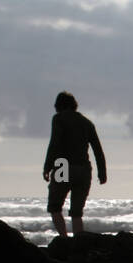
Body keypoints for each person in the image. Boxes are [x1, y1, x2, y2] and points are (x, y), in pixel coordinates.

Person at [43, 91, 107, 237]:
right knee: (77, 212)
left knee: (55, 206)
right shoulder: (87, 123)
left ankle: (64, 239)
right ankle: (79, 243)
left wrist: (47, 166)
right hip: (83, 169)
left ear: (58, 106)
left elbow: (54, 143)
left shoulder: (59, 119)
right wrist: (102, 172)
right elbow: (97, 149)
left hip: (63, 166)